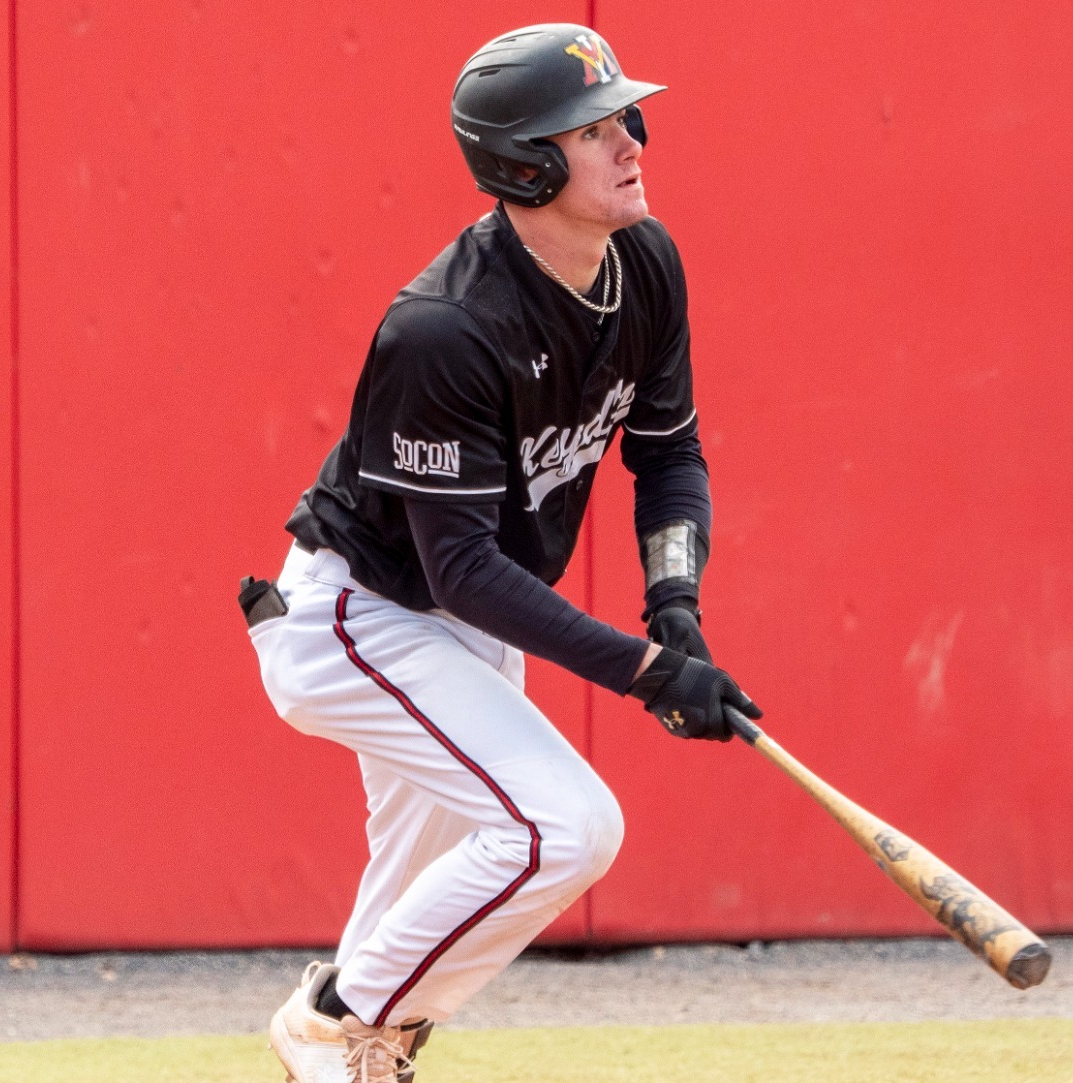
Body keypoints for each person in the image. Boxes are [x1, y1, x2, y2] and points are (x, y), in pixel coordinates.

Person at [243, 24, 760, 1083]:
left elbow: (669, 457)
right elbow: (459, 572)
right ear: (522, 165)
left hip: (463, 626)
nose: (627, 142)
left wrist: (675, 607)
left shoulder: (644, 264)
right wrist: (645, 673)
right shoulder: (443, 328)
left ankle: (360, 1049)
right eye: (589, 128)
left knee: (423, 884)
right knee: (561, 827)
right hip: (360, 618)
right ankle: (332, 1017)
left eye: (622, 115)